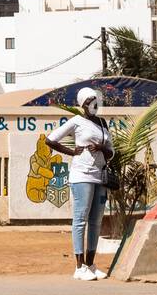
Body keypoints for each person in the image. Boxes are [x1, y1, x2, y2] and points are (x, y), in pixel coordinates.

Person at [46, 87, 114, 281]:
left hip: (99, 176)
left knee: (96, 221)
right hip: (81, 175)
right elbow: (50, 140)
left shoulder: (102, 123)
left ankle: (91, 265)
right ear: (83, 104)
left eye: (95, 99)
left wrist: (101, 147)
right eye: (90, 101)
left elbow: (112, 152)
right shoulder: (77, 121)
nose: (94, 103)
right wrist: (72, 152)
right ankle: (79, 266)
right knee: (80, 219)